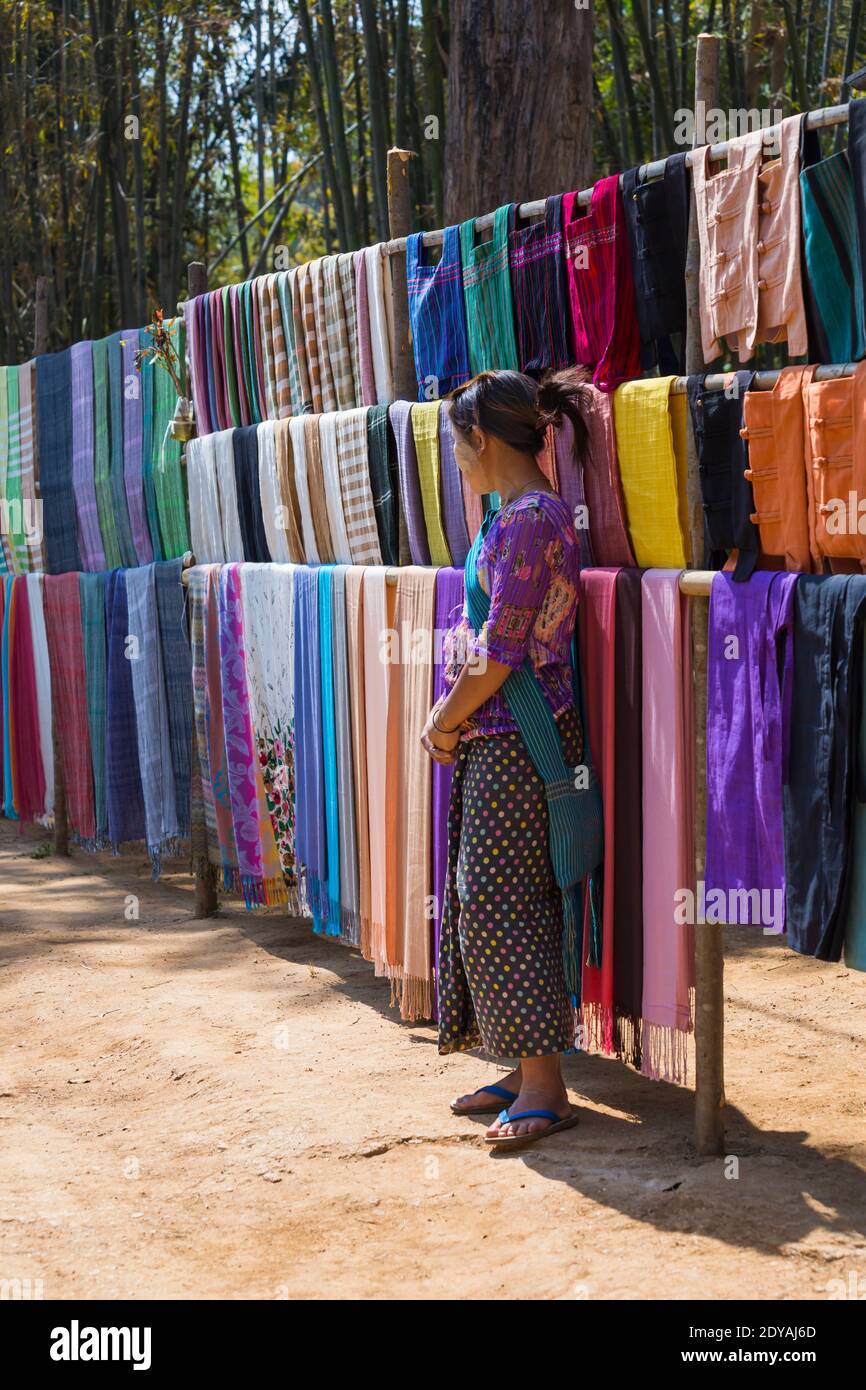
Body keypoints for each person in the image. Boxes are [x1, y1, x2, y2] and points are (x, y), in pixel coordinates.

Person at [421, 368, 593, 1149]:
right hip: (500, 740)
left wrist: (441, 719)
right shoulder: (514, 518)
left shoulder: (531, 521)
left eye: (458, 447)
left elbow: (500, 656)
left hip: (522, 740)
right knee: (480, 898)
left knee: (500, 901)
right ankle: (520, 1067)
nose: (458, 462)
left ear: (481, 439)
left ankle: (546, 1087)